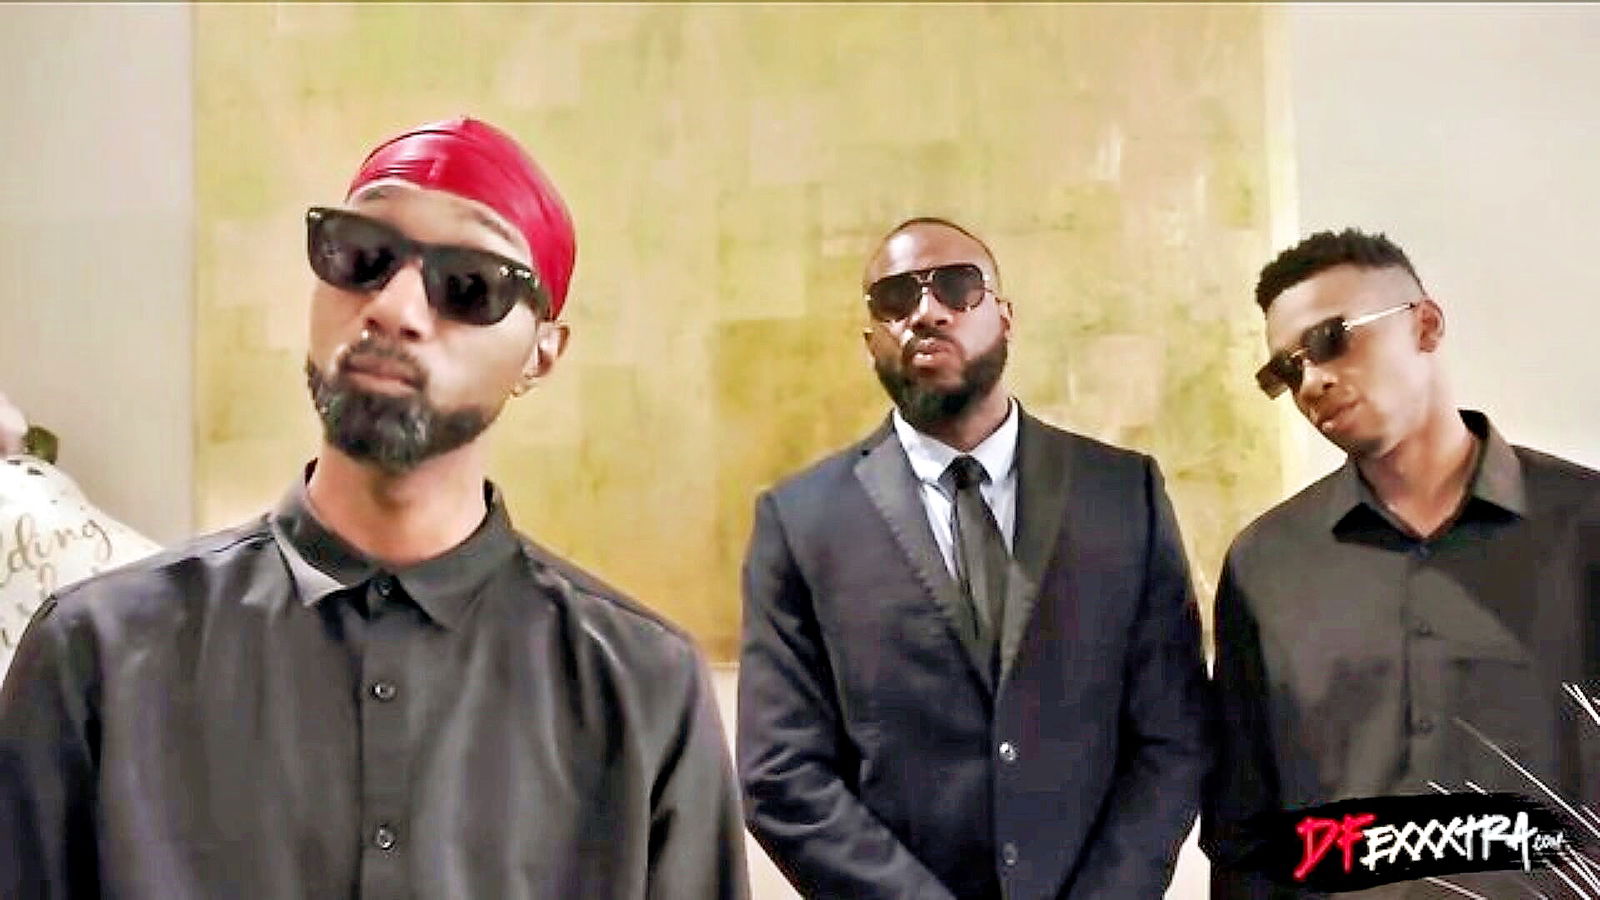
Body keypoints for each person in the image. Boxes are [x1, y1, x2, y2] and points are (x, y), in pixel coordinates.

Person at [0, 117, 747, 899]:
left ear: (543, 352)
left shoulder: (643, 688)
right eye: (363, 257)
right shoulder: (101, 652)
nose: (394, 307)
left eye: (470, 285)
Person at [737, 216, 1211, 899]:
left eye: (958, 287)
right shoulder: (801, 520)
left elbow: (1173, 733)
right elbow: (783, 776)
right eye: (895, 299)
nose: (925, 311)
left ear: (1006, 317)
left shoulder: (1121, 494)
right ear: (871, 339)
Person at [1204, 229, 1600, 898]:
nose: (1314, 380)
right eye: (1288, 368)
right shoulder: (1265, 565)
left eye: (1332, 338)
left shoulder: (1586, 527)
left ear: (1426, 325)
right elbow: (1245, 824)